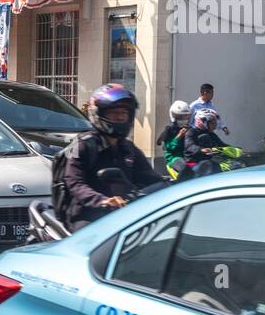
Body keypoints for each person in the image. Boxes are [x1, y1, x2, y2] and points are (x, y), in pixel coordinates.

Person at [54, 84, 162, 231]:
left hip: (122, 213)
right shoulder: (82, 146)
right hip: (87, 214)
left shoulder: (129, 149)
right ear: (99, 114)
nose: (119, 117)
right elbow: (74, 182)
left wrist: (173, 185)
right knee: (92, 245)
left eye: (124, 113)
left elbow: (150, 178)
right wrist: (103, 201)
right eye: (113, 113)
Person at [183, 107, 227, 177]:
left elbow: (221, 144)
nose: (214, 125)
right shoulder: (191, 132)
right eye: (211, 122)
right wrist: (201, 150)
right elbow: (189, 145)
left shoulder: (211, 134)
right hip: (193, 163)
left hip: (208, 161)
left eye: (214, 122)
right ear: (202, 121)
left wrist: (234, 150)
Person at [158, 100, 193, 177]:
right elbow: (168, 147)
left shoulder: (190, 129)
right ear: (174, 116)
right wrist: (179, 136)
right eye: (181, 117)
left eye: (186, 117)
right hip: (174, 159)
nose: (184, 119)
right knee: (185, 169)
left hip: (187, 157)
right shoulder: (169, 130)